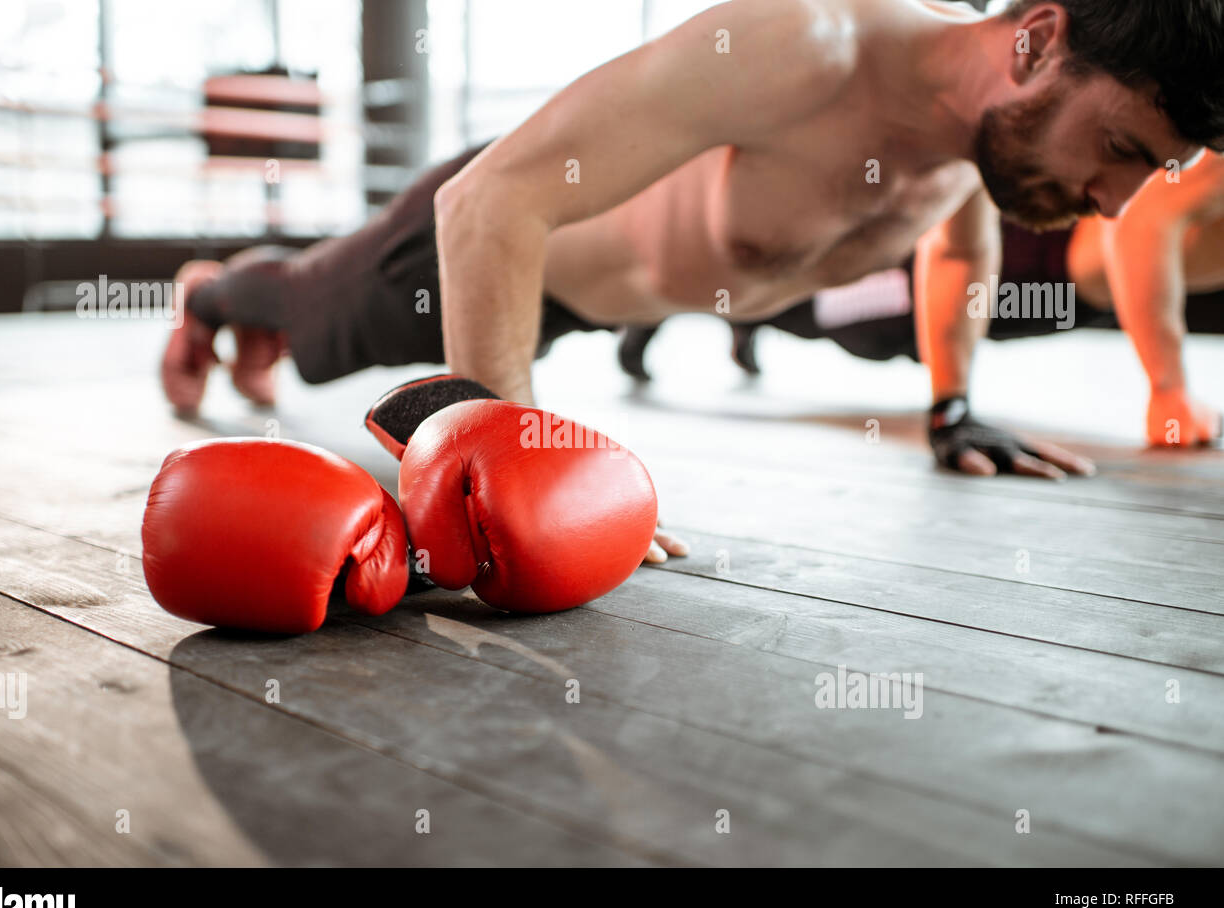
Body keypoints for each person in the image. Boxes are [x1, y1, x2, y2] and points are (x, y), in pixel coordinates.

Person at [161, 0, 1224, 560]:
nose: (1121, 205)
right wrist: (513, 460)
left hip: (617, 301)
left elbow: (959, 245)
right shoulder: (803, 45)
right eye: (1123, 149)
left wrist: (953, 408)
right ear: (1037, 41)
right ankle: (213, 291)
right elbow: (486, 207)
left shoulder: (977, 140)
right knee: (306, 320)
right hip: (491, 254)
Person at [620, 149, 1224, 460]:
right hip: (1002, 260)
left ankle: (741, 316)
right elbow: (1140, 225)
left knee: (872, 336)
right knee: (829, 309)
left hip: (1042, 302)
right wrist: (1168, 388)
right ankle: (665, 306)